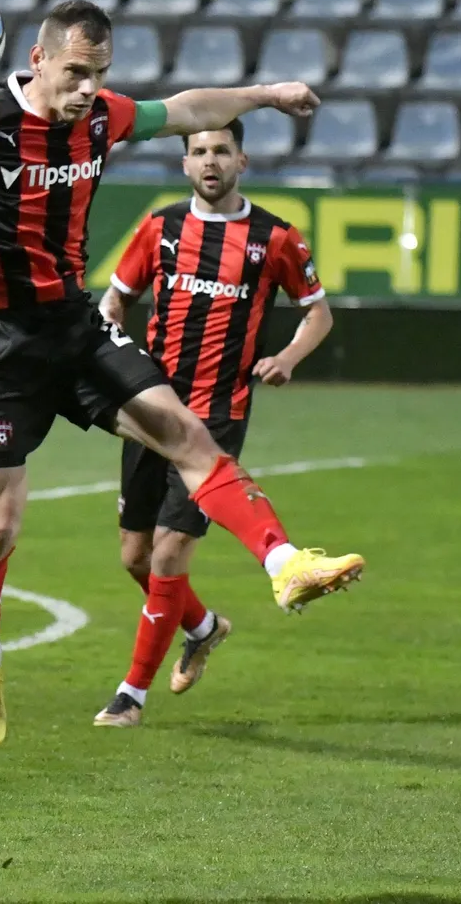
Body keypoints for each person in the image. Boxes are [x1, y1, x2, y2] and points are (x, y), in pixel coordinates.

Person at [0, 0, 365, 750]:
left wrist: (266, 95)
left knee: (186, 435)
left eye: (99, 74)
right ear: (37, 60)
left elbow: (189, 108)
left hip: (71, 321)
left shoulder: (102, 118)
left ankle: (286, 562)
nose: (88, 88)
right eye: (75, 72)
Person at [92, 119, 336, 728]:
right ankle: (202, 628)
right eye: (198, 150)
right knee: (135, 556)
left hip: (217, 414)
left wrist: (287, 358)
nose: (209, 160)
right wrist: (114, 346)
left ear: (241, 161)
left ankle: (130, 696)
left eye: (221, 150)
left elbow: (318, 313)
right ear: (184, 164)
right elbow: (115, 299)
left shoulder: (274, 237)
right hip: (152, 408)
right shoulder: (159, 227)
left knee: (170, 552)